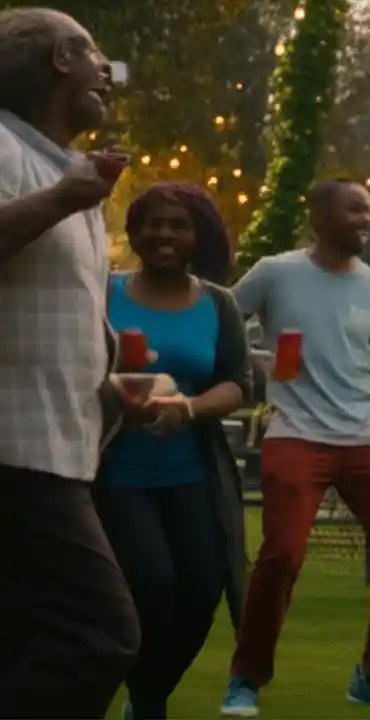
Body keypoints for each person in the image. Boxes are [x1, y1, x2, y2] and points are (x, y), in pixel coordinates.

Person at [220, 179, 370, 716]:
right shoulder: (275, 274)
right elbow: (224, 324)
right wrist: (256, 366)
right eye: (354, 210)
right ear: (319, 214)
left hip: (367, 436)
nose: (366, 220)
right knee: (281, 555)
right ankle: (245, 680)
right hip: (297, 433)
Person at [0, 8, 142, 716]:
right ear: (60, 58)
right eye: (96, 59)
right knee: (98, 633)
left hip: (60, 442)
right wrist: (61, 199)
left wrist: (109, 385)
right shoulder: (3, 147)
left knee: (25, 638)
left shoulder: (71, 176)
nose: (107, 79)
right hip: (15, 448)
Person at [94, 183, 252, 719]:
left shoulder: (218, 303)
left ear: (197, 236)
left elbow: (238, 381)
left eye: (177, 224)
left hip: (190, 472)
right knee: (153, 583)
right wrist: (116, 390)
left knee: (204, 587)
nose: (163, 233)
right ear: (133, 233)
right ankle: (145, 697)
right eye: (151, 223)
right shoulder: (102, 291)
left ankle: (148, 693)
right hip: (116, 470)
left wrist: (187, 407)